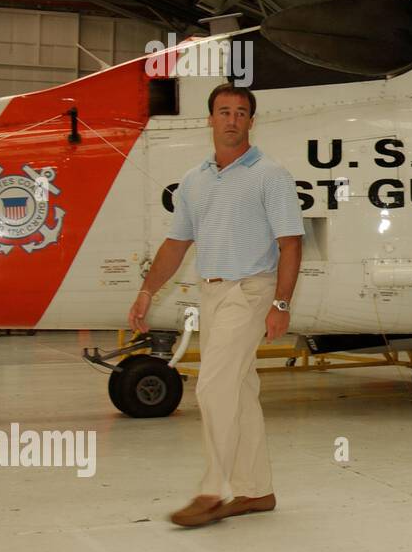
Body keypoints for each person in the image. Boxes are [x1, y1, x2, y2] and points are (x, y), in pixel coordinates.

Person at [128, 82, 303, 527]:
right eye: (223, 111)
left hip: (251, 290)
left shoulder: (271, 174)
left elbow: (291, 243)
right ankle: (256, 490)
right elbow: (175, 244)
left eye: (240, 112)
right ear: (210, 119)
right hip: (213, 291)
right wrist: (147, 290)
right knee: (240, 393)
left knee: (213, 386)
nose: (232, 119)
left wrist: (280, 302)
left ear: (250, 121)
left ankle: (213, 490)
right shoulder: (195, 180)